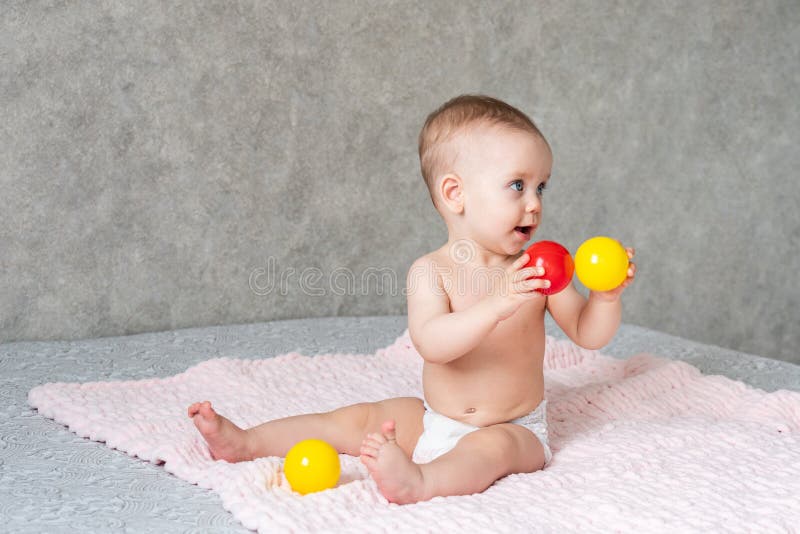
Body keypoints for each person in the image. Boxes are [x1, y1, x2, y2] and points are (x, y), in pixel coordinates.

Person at [188, 94, 636, 504]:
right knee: (360, 419)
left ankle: (420, 482)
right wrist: (496, 305)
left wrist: (605, 298)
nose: (535, 203)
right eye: (517, 185)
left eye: (542, 187)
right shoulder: (431, 271)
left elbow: (587, 334)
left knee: (491, 449)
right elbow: (432, 343)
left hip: (515, 427)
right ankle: (245, 442)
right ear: (455, 194)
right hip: (436, 419)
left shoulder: (538, 268)